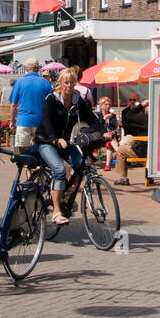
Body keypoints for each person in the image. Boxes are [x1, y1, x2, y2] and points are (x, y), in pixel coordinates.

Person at [35, 69, 97, 225]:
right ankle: (56, 212)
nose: (69, 85)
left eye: (72, 82)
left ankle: (66, 196)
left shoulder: (77, 100)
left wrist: (104, 132)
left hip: (65, 142)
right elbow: (47, 122)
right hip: (46, 141)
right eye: (66, 82)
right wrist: (55, 139)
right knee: (59, 170)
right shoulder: (51, 99)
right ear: (60, 83)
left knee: (83, 166)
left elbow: (91, 118)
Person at [8, 59, 53, 151]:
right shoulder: (45, 83)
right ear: (38, 68)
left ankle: (23, 164)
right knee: (41, 151)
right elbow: (51, 104)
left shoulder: (19, 83)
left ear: (26, 68)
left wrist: (12, 122)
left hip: (23, 121)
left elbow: (13, 105)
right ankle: (38, 165)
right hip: (40, 121)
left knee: (21, 151)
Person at [116, 93, 149, 185]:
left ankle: (123, 178)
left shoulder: (143, 118)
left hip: (142, 150)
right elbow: (127, 127)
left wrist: (142, 106)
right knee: (126, 142)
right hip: (153, 151)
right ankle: (149, 175)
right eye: (130, 99)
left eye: (135, 100)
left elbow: (129, 116)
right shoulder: (155, 118)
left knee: (121, 149)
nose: (132, 102)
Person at [96, 95, 120, 170]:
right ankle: (120, 151)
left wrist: (112, 132)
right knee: (110, 140)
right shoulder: (97, 115)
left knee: (110, 141)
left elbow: (115, 128)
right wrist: (105, 118)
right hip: (100, 136)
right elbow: (97, 127)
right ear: (101, 106)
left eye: (109, 104)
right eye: (106, 104)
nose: (108, 106)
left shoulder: (113, 116)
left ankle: (107, 165)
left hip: (111, 137)